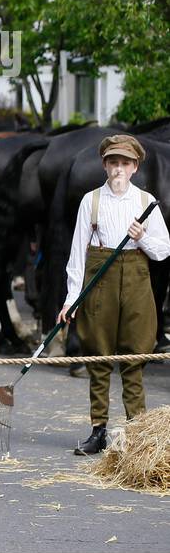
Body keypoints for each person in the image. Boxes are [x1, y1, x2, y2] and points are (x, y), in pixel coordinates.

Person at [58, 134, 170, 455]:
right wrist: (71, 298)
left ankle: (137, 432)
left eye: (124, 163)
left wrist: (143, 236)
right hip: (100, 281)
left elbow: (163, 251)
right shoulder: (90, 201)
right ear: (105, 165)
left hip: (136, 280)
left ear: (135, 167)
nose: (118, 168)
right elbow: (78, 252)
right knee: (100, 357)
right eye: (113, 162)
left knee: (134, 358)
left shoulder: (146, 202)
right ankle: (99, 431)